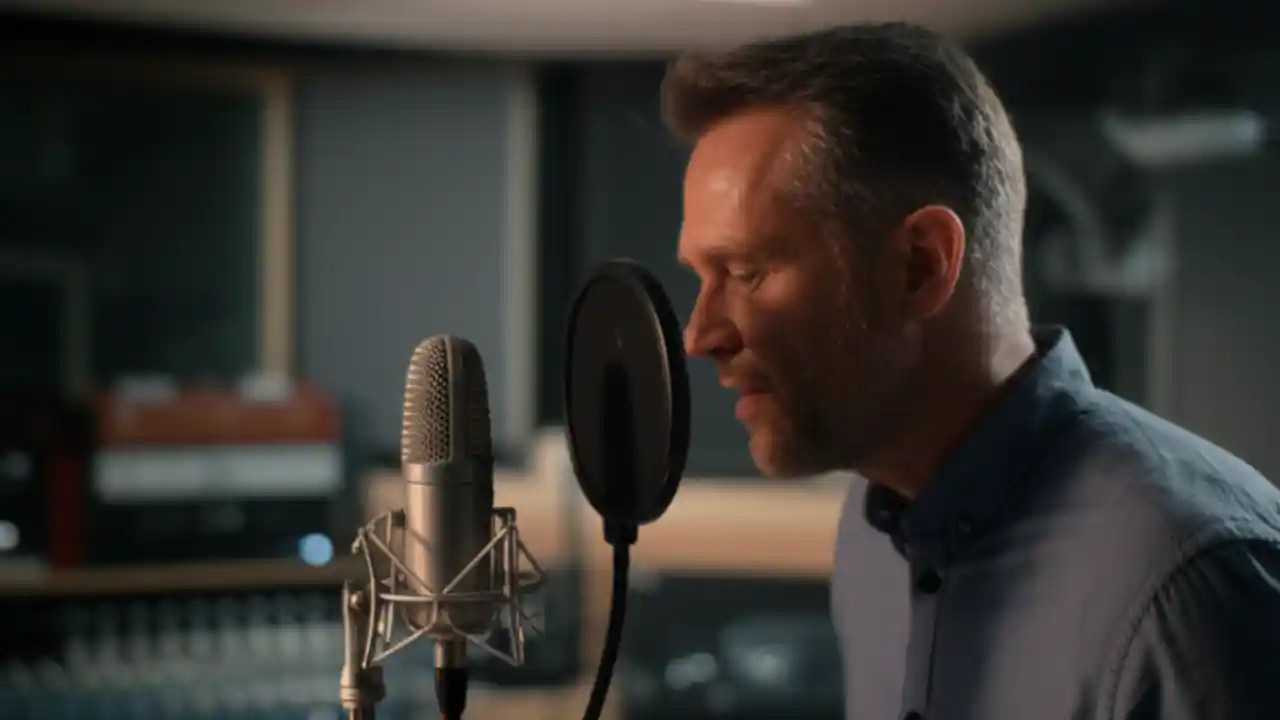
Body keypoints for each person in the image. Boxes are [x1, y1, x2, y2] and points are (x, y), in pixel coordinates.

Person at [663, 21, 1280, 720]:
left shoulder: (1184, 585)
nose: (700, 335)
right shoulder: (870, 538)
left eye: (747, 271)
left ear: (921, 264)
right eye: (702, 277)